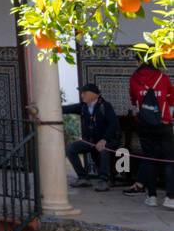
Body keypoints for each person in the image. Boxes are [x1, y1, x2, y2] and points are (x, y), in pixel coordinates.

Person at [129, 54, 174, 208]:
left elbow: (134, 101)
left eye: (136, 60)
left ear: (141, 61)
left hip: (145, 125)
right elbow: (171, 100)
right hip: (164, 124)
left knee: (149, 160)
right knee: (169, 161)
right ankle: (170, 198)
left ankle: (152, 196)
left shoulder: (134, 78)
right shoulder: (163, 77)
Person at [63, 83, 120, 191]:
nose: (82, 95)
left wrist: (104, 139)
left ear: (93, 94)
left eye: (84, 93)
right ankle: (83, 177)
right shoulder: (83, 106)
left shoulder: (105, 106)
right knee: (70, 149)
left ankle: (104, 180)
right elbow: (65, 109)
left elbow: (113, 125)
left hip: (107, 141)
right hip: (91, 141)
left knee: (104, 150)